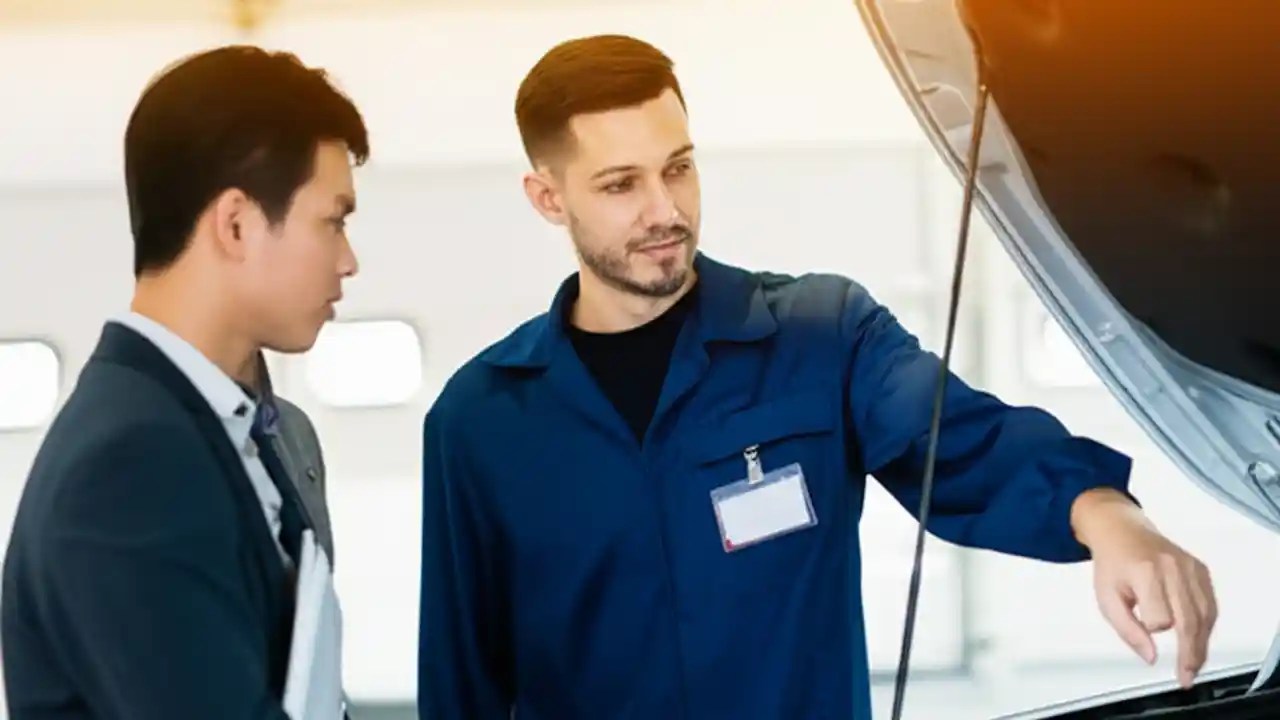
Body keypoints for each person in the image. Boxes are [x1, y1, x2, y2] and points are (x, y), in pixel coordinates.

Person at [417, 34, 1217, 720]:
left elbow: (966, 441)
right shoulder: (482, 421)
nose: (666, 209)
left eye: (680, 168)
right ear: (548, 198)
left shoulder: (821, 336)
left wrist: (1105, 513)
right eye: (621, 184)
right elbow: (462, 684)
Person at [1, 45, 368, 719]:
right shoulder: (132, 462)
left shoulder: (239, 431)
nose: (349, 260)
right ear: (235, 223)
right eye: (334, 220)